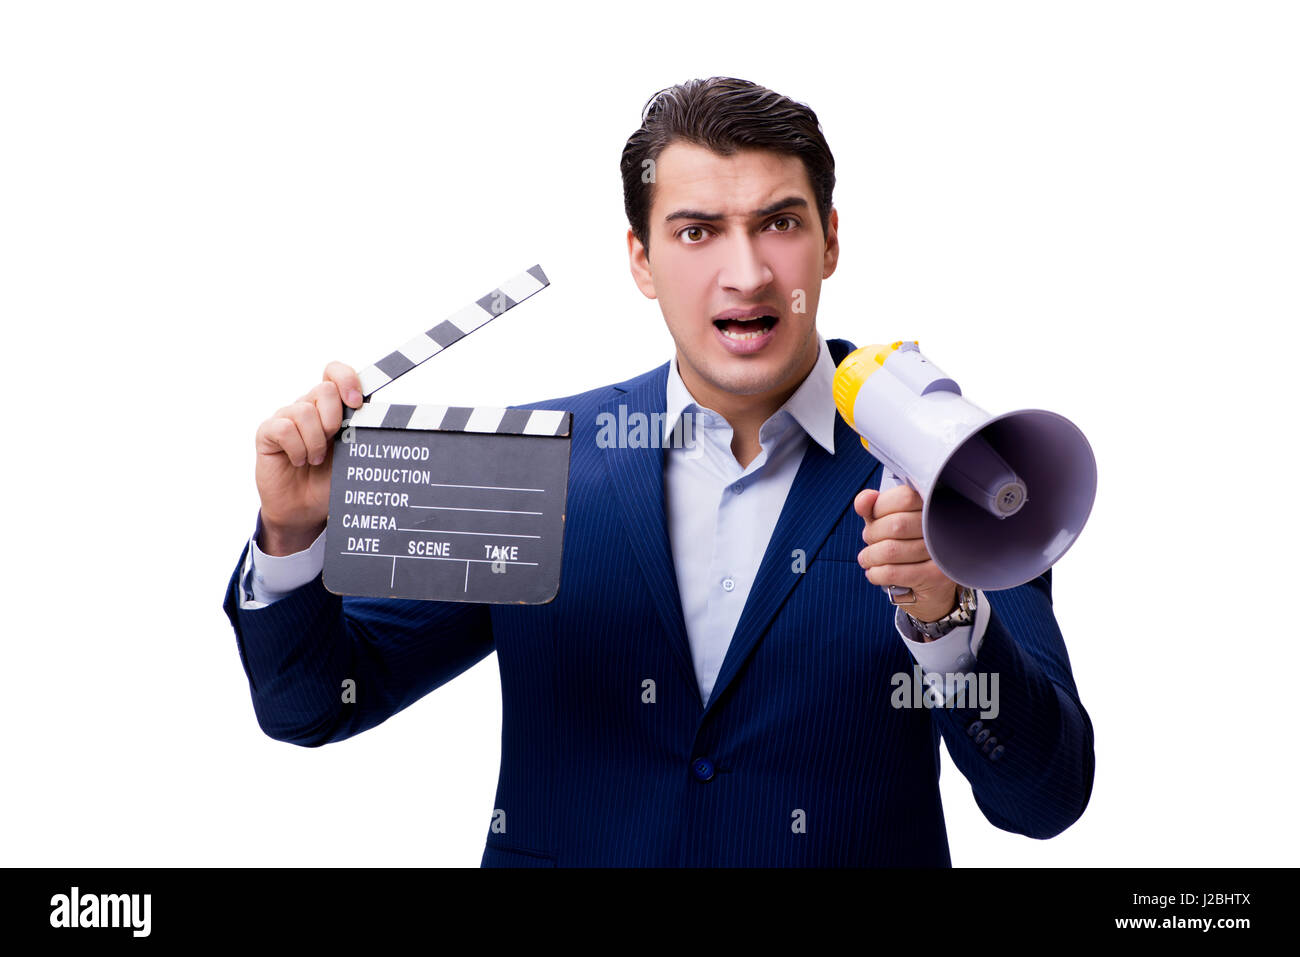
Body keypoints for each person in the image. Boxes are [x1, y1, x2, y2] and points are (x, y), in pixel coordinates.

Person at [222, 76, 1095, 867]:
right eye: (698, 231)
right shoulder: (539, 465)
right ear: (641, 258)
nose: (746, 273)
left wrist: (949, 617)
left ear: (829, 242)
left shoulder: (960, 471)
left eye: (779, 223)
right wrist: (295, 537)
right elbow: (315, 705)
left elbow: (1043, 797)